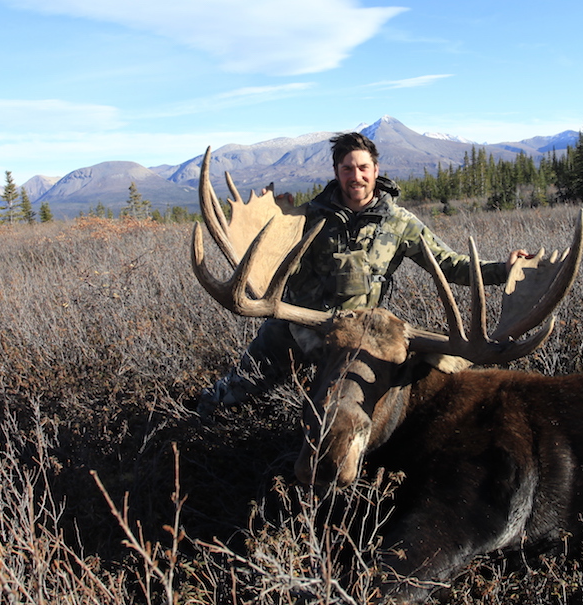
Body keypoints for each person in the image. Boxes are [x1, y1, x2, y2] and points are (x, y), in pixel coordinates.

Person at [199, 131, 534, 414]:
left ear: (375, 170)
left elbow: (452, 266)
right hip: (297, 327)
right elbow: (270, 265)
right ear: (336, 172)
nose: (355, 176)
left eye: (362, 168)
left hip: (358, 338)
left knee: (348, 414)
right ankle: (194, 426)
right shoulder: (309, 216)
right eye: (347, 169)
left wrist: (503, 269)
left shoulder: (400, 223)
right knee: (233, 393)